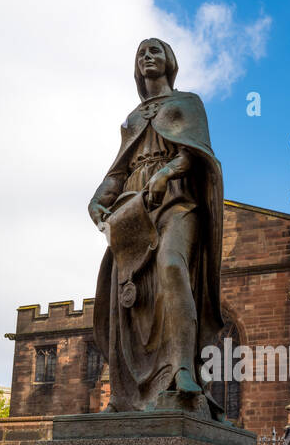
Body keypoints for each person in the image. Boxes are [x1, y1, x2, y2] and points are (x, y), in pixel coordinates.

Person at [88, 38, 225, 417]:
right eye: (141, 53)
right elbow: (118, 171)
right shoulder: (133, 118)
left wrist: (165, 173)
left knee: (171, 267)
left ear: (169, 62)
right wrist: (98, 199)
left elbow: (196, 155)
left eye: (155, 51)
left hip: (178, 201)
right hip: (133, 211)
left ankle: (182, 371)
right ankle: (126, 394)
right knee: (126, 298)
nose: (148, 57)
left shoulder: (188, 103)